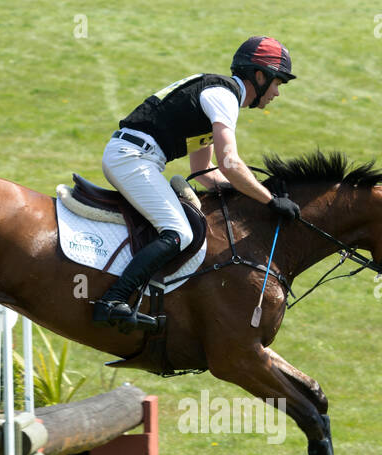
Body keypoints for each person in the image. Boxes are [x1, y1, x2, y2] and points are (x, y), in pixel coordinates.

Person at [91, 36, 300, 334]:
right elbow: (230, 163)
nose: (277, 93)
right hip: (132, 158)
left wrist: (254, 197)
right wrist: (268, 200)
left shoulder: (218, 96)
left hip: (135, 156)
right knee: (179, 232)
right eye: (278, 82)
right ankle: (113, 299)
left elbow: (204, 172)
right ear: (259, 76)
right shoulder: (224, 97)